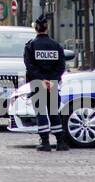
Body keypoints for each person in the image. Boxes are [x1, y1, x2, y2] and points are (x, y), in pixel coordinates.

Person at [23, 16, 67, 152]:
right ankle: (60, 142)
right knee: (54, 112)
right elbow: (61, 66)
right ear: (47, 28)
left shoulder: (30, 46)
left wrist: (42, 80)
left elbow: (29, 66)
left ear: (35, 28)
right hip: (53, 84)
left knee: (41, 112)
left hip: (37, 84)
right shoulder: (56, 46)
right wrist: (51, 80)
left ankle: (45, 142)